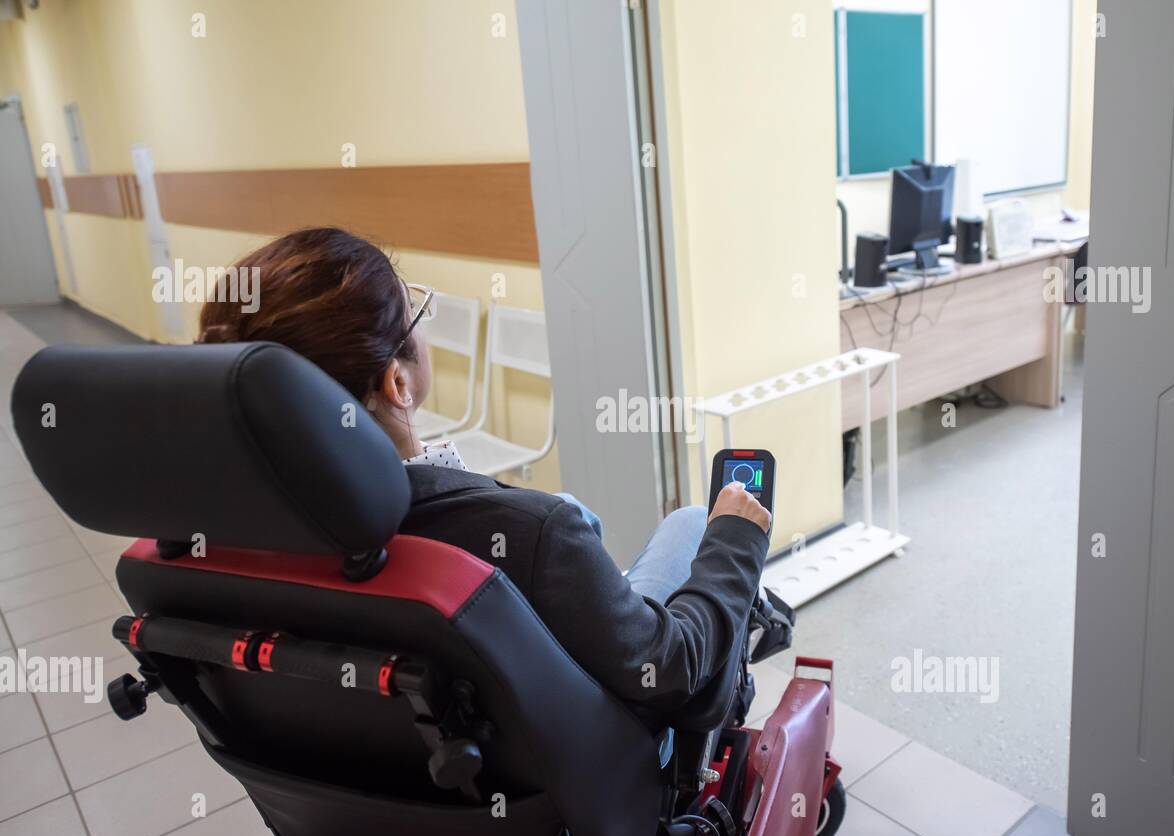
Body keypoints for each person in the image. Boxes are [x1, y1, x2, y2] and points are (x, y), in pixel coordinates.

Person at [198, 227, 770, 723]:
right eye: (415, 313)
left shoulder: (212, 544)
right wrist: (736, 541)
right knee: (699, 521)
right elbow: (663, 668)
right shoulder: (527, 532)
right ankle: (759, 612)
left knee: (570, 514)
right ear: (397, 383)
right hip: (601, 760)